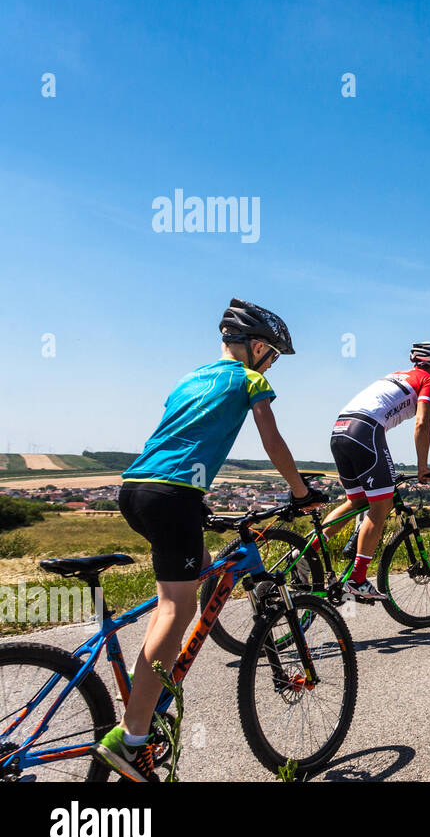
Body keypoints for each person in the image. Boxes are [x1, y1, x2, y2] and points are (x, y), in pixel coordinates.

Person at [94, 299, 326, 781]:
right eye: (274, 353)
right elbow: (272, 440)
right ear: (258, 346)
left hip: (137, 489)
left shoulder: (192, 377)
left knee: (195, 576)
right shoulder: (251, 379)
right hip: (172, 497)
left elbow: (179, 437)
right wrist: (301, 493)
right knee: (177, 607)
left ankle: (149, 685)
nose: (272, 362)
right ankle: (132, 738)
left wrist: (193, 501)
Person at [318, 342, 430, 600]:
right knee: (382, 505)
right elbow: (423, 422)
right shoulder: (428, 379)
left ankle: (303, 553)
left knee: (357, 501)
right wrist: (423, 467)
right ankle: (357, 578)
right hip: (365, 430)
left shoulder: (397, 375)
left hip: (340, 428)